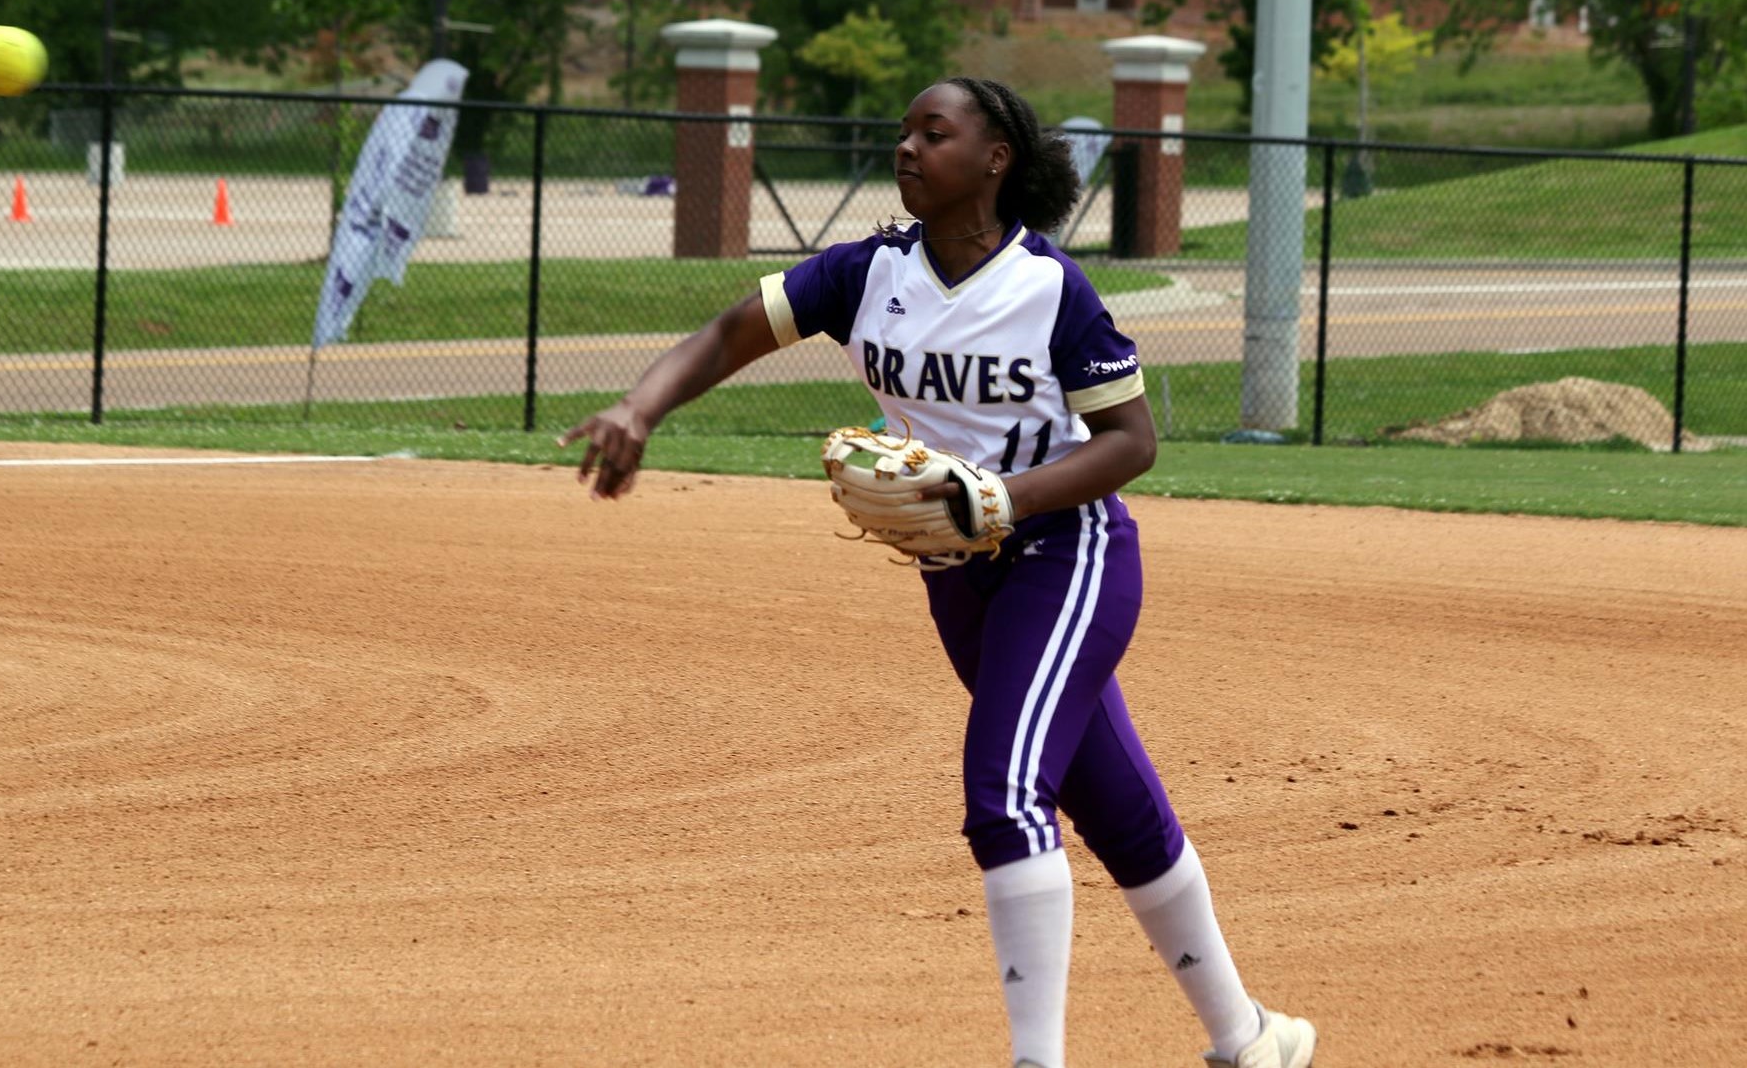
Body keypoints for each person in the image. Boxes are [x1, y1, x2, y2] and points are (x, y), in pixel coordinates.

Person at [560, 76, 1317, 1068]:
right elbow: (724, 334)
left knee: (1005, 797)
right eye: (902, 133)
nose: (907, 148)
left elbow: (1130, 441)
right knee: (1115, 809)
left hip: (1066, 553)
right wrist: (639, 409)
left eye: (934, 131)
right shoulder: (863, 274)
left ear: (994, 157)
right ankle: (1247, 1037)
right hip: (955, 576)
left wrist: (1014, 498)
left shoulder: (1050, 289)